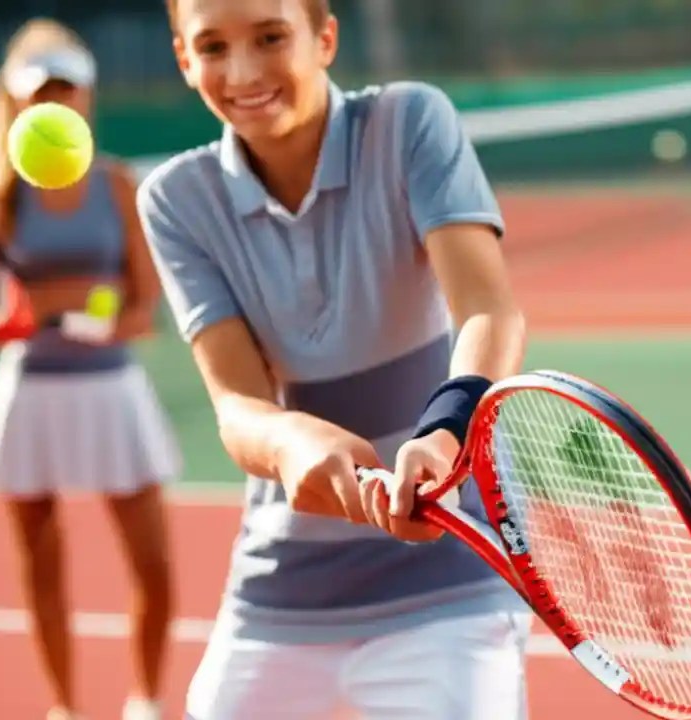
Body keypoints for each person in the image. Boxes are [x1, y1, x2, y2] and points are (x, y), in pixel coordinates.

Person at [136, 0, 532, 717]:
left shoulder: (411, 121)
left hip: (453, 565)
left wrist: (444, 431)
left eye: (270, 37)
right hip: (283, 585)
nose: (244, 71)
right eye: (214, 47)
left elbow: (487, 308)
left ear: (324, 38)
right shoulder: (174, 201)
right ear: (184, 59)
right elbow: (239, 406)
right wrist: (293, 443)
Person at [0, 18, 180, 720]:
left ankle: (144, 703)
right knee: (42, 567)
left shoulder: (118, 184)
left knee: (154, 567)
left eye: (68, 87)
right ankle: (64, 709)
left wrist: (106, 318)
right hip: (31, 394)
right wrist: (41, 311)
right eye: (42, 90)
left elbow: (146, 307)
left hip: (112, 388)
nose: (56, 100)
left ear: (87, 96)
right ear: (18, 102)